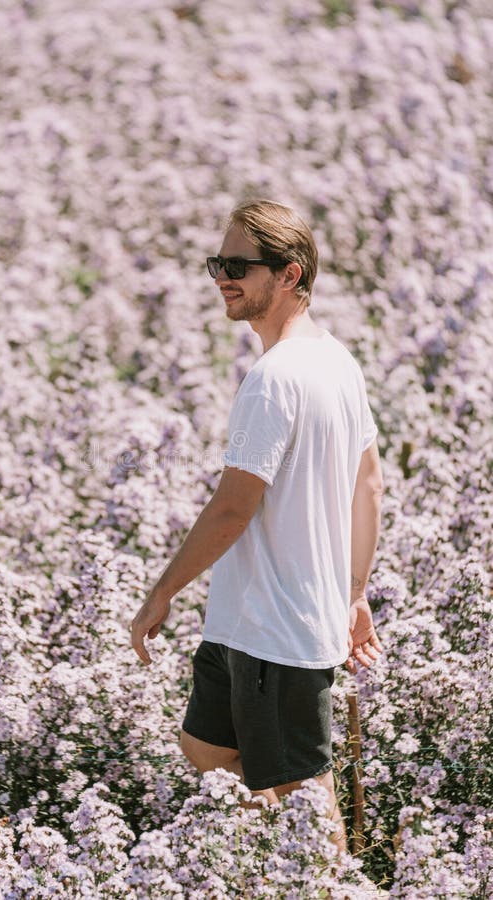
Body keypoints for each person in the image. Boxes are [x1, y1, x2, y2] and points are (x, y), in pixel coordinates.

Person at [130, 199, 384, 854]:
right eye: (217, 263)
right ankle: (273, 865)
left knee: (304, 788)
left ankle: (324, 883)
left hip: (279, 628)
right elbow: (370, 485)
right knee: (206, 747)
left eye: (238, 265)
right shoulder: (339, 363)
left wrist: (162, 592)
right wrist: (354, 593)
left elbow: (233, 507)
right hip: (248, 620)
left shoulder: (275, 379)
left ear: (290, 274)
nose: (222, 277)